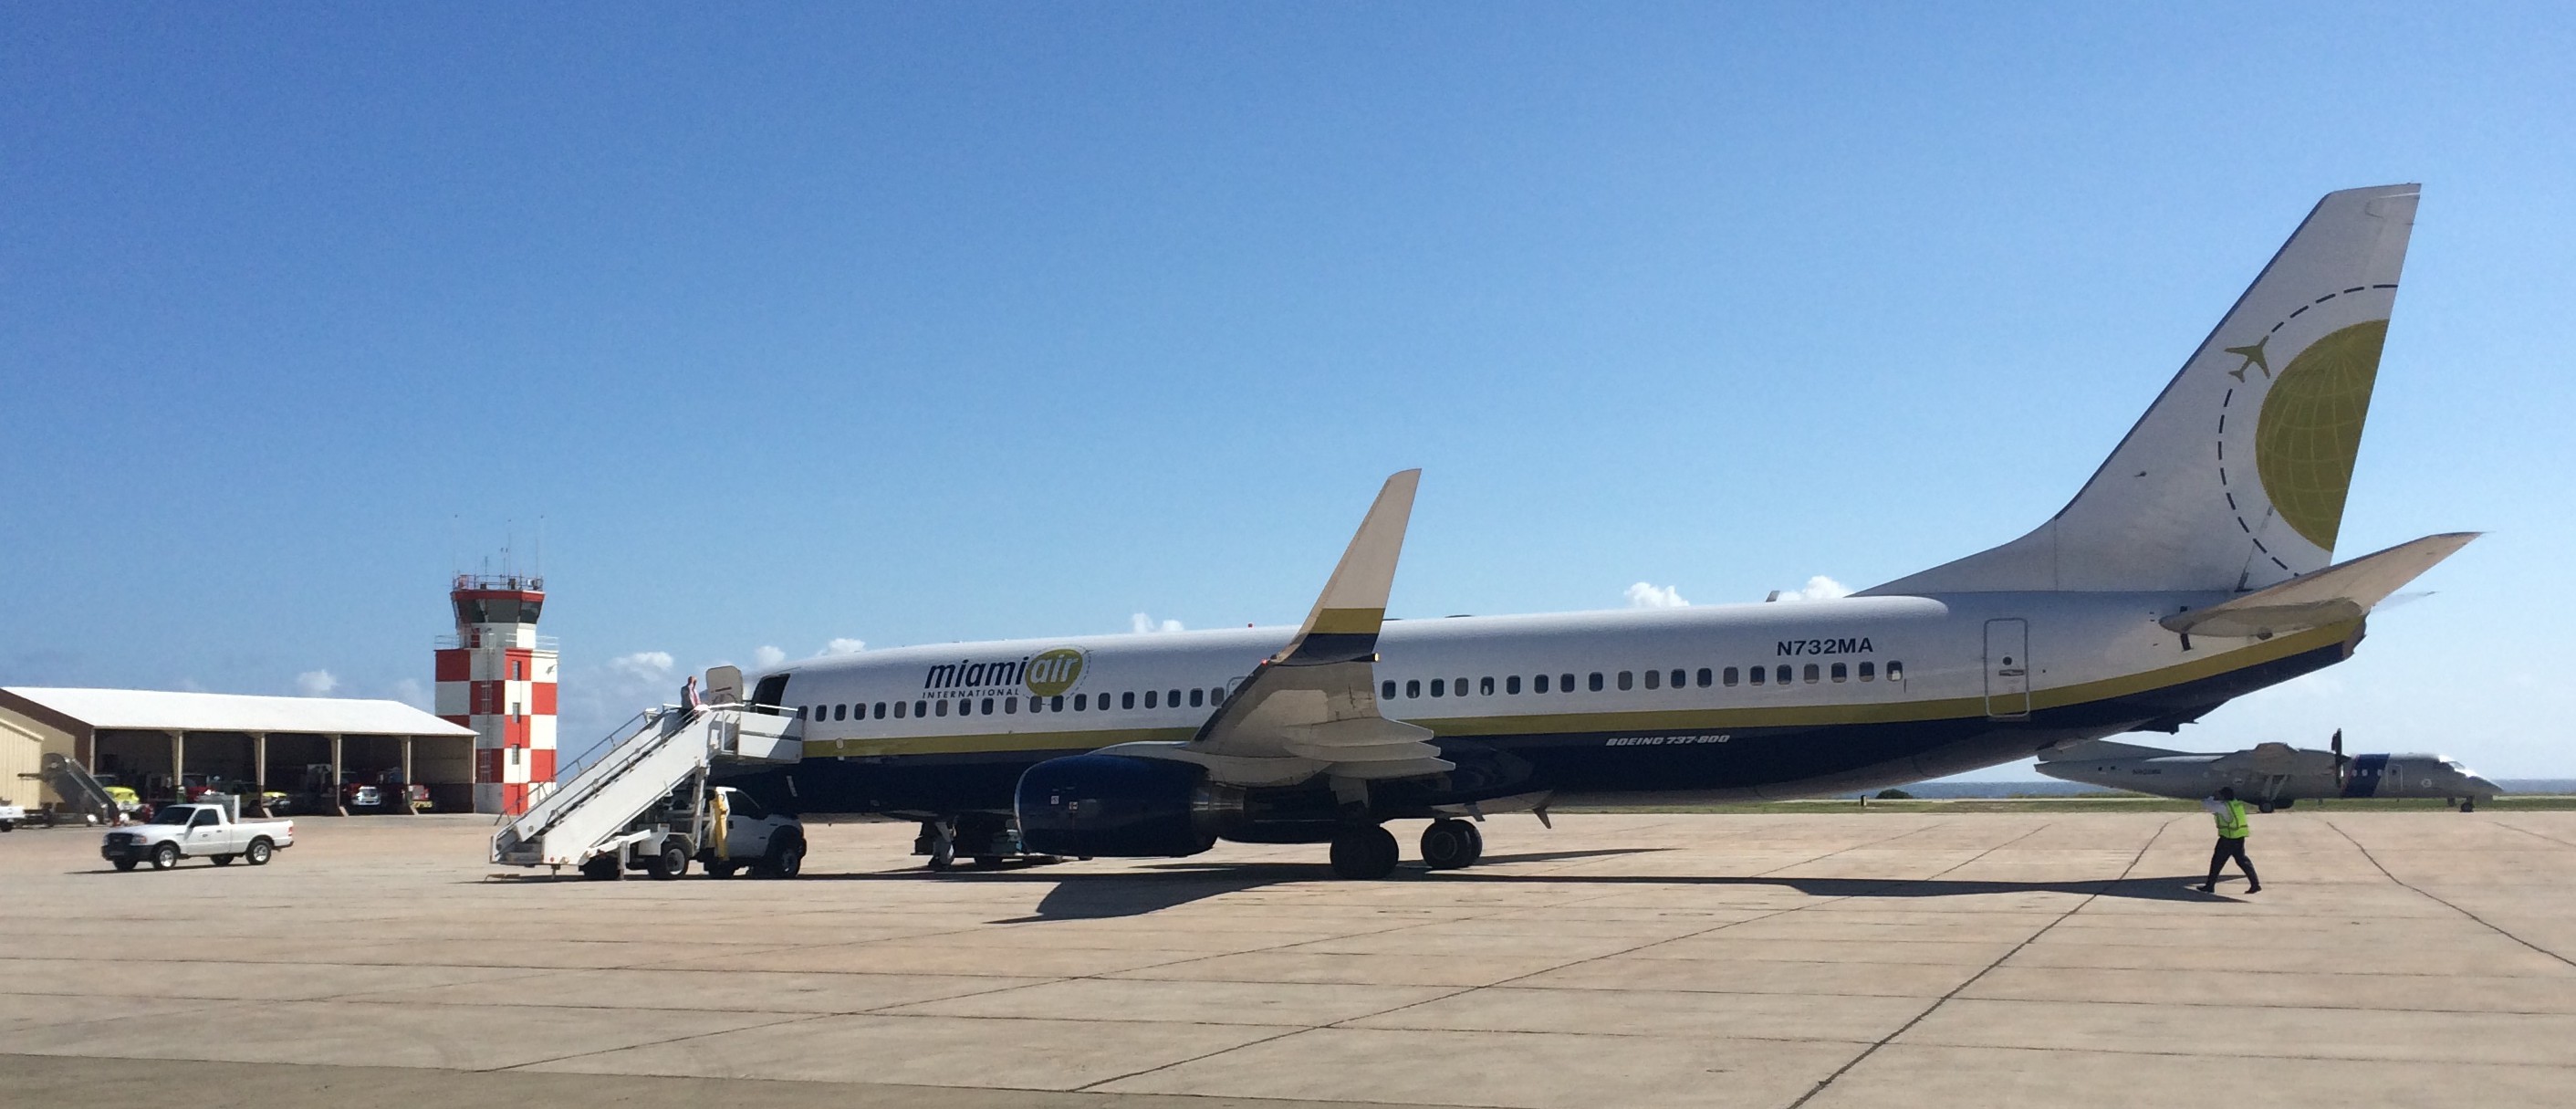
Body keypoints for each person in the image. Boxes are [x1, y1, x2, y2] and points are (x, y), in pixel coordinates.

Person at [2198, 786, 2260, 894]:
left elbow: (2206, 804)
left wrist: (2212, 796)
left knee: (2217, 862)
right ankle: (2255, 884)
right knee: (2242, 861)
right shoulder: (2235, 804)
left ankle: (2210, 886)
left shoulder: (2224, 807)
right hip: (2239, 837)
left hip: (2228, 839)